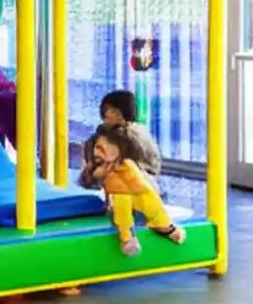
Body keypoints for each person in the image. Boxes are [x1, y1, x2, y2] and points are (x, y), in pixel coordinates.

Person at [86, 122, 185, 256]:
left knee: (143, 201)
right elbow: (93, 178)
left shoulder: (128, 166)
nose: (97, 152)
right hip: (124, 199)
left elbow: (145, 191)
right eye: (97, 148)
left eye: (102, 148)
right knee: (122, 201)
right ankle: (128, 237)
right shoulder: (107, 167)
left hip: (140, 198)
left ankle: (164, 227)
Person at [79, 90, 161, 189]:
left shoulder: (122, 136)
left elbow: (94, 174)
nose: (106, 116)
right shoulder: (142, 133)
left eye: (110, 110)